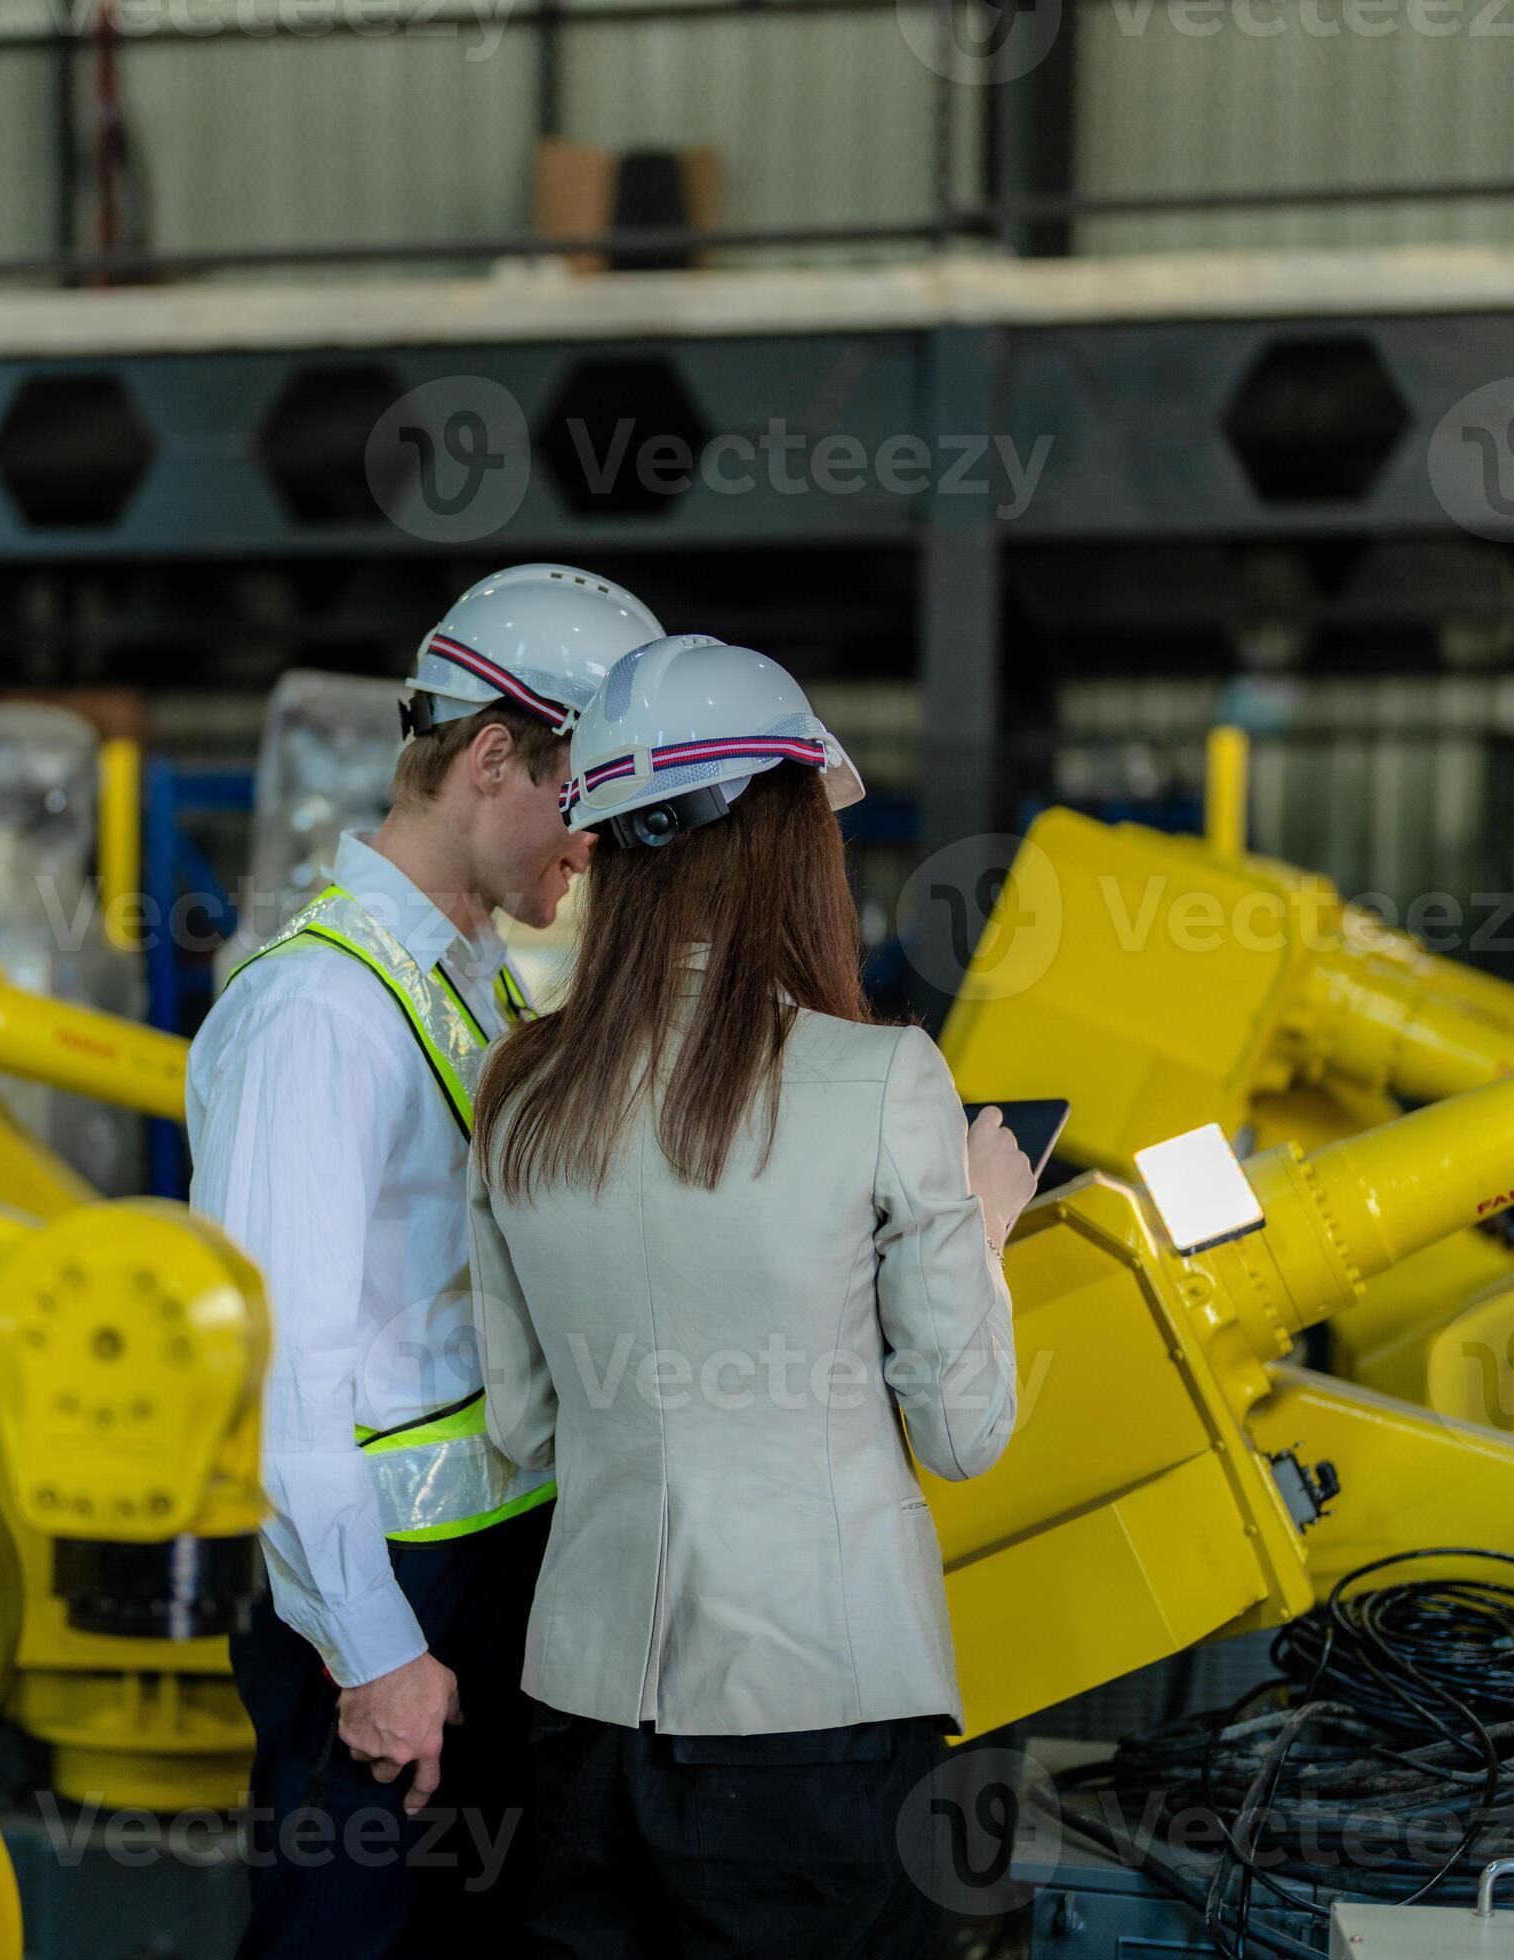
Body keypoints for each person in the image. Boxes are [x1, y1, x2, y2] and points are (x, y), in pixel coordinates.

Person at [466, 634, 1040, 1959]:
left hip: (583, 1710)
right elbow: (965, 1433)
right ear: (793, 843)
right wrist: (984, 1222)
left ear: (606, 838)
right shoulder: (882, 1081)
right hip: (811, 1722)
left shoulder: (520, 1094)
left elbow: (526, 1428)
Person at [187, 564, 665, 1958]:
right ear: (496, 758)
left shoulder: (476, 984)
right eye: (584, 809)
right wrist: (375, 1647)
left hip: (479, 1578)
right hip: (382, 1605)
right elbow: (282, 1373)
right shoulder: (316, 1015)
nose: (591, 853)